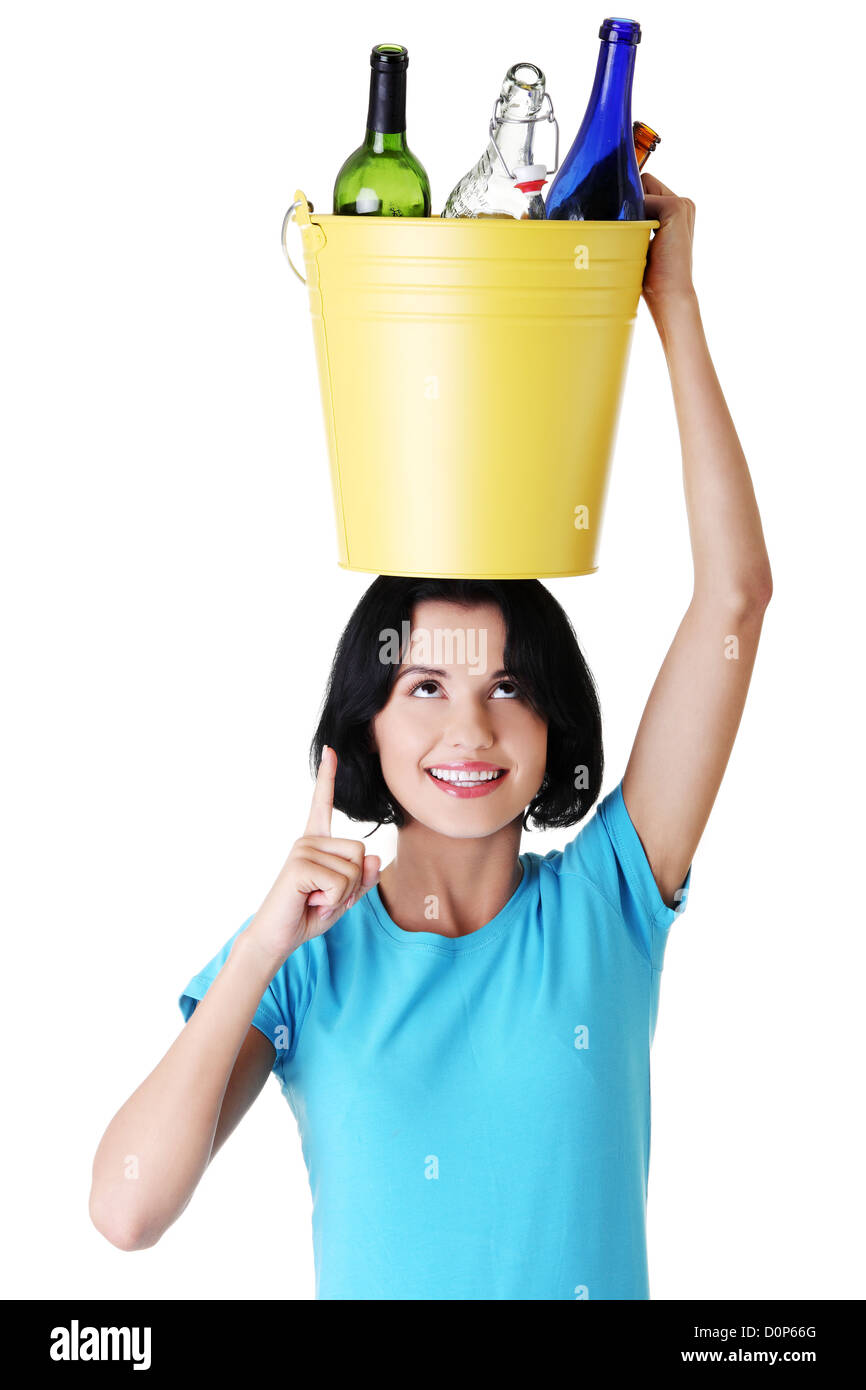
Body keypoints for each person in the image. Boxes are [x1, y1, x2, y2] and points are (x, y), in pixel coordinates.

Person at [89, 174, 772, 1298]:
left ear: (554, 723)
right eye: (423, 687)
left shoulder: (605, 898)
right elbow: (123, 1208)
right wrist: (262, 944)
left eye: (507, 687)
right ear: (361, 720)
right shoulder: (301, 960)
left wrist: (674, 303)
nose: (469, 725)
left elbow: (733, 599)